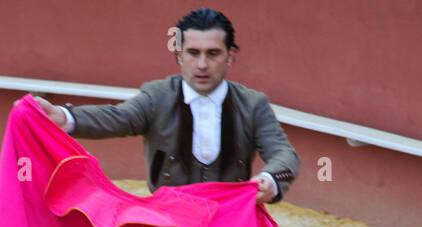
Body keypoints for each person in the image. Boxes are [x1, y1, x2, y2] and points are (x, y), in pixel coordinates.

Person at [33, 8, 299, 201]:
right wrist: (64, 116)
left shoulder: (252, 104)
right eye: (193, 53)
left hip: (230, 225)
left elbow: (286, 156)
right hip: (168, 224)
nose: (202, 65)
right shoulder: (158, 97)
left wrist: (270, 180)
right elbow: (118, 117)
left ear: (230, 56)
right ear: (179, 56)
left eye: (213, 54)